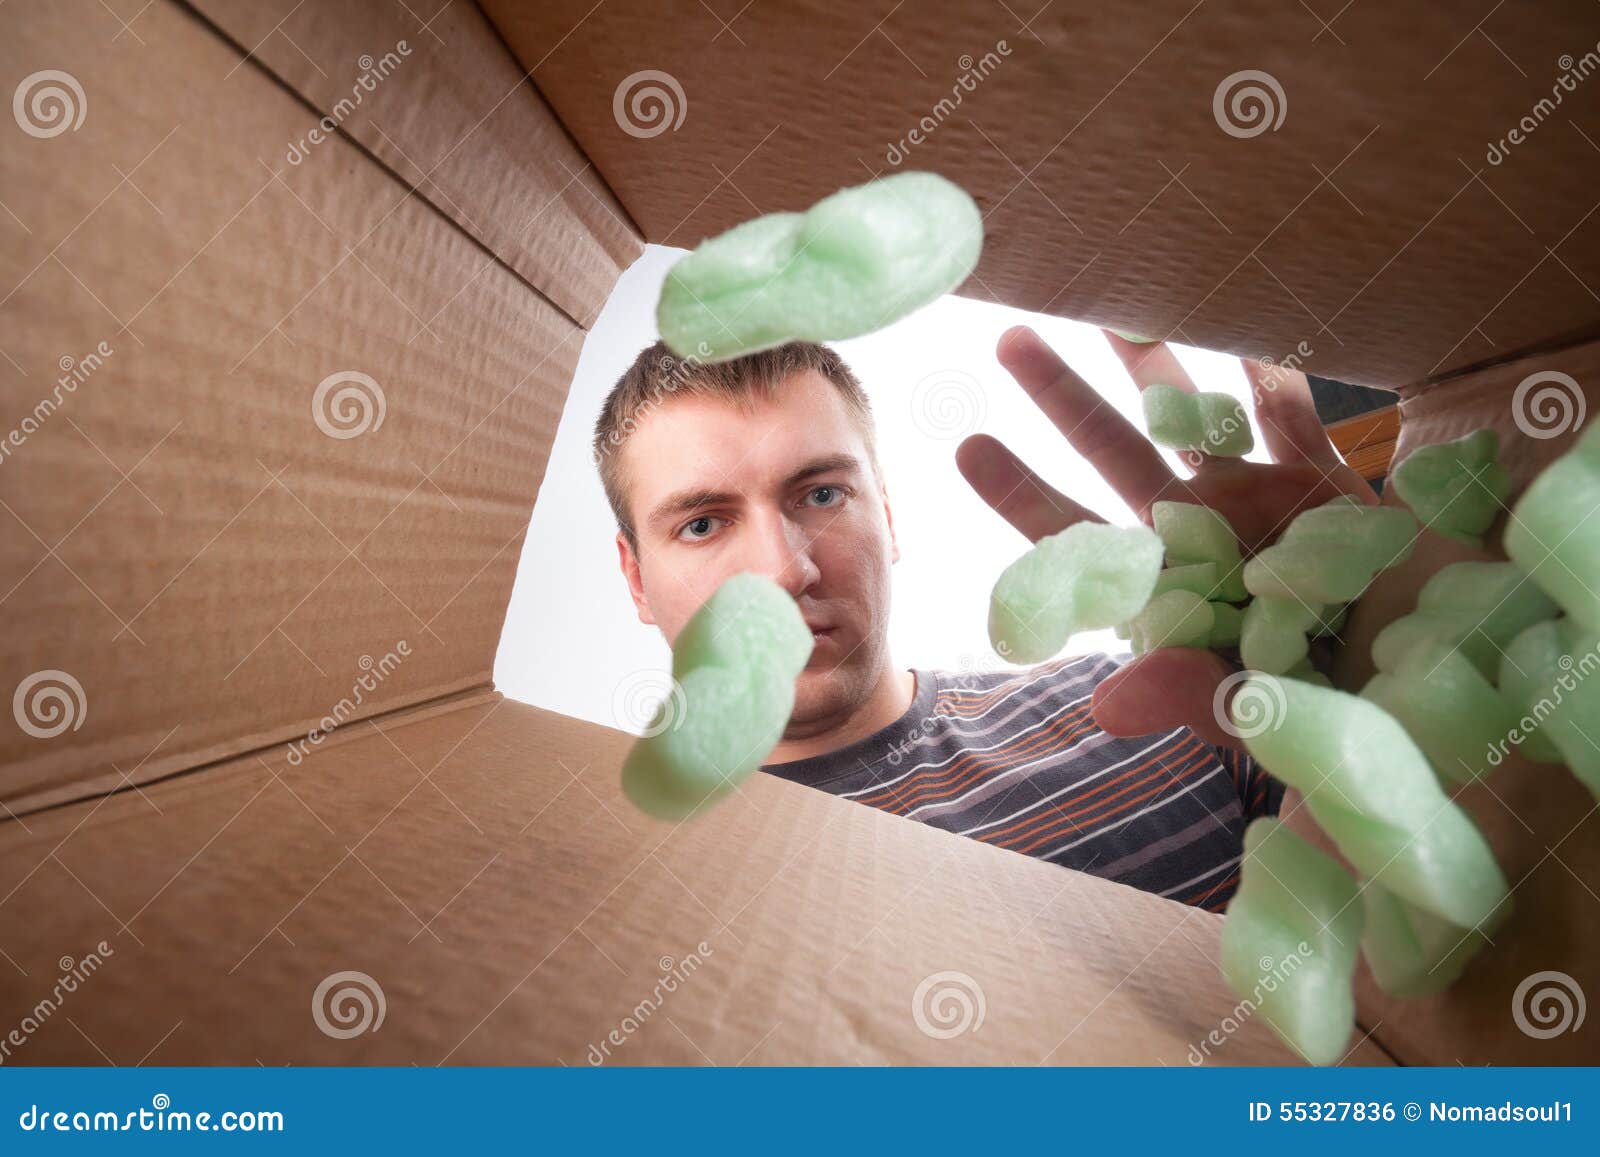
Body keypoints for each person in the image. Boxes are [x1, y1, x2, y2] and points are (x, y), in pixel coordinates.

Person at [591, 325, 1375, 911]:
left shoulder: (1171, 706)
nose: (783, 570)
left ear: (889, 518)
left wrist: (1371, 648)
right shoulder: (617, 912)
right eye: (702, 523)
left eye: (821, 494)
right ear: (635, 577)